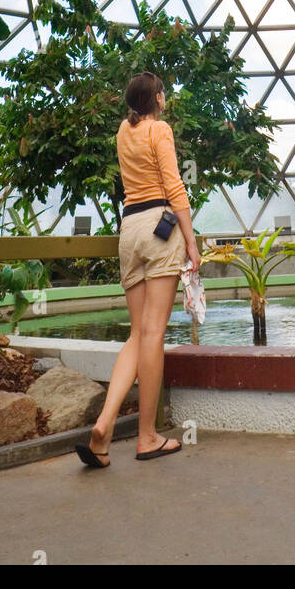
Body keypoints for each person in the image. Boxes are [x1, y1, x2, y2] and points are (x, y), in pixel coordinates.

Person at [75, 71, 201, 468]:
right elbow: (174, 186)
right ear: (158, 99)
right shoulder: (159, 130)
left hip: (128, 229)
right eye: (164, 94)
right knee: (153, 333)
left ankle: (104, 427)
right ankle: (146, 437)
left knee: (135, 333)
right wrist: (192, 242)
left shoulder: (122, 132)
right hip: (159, 230)